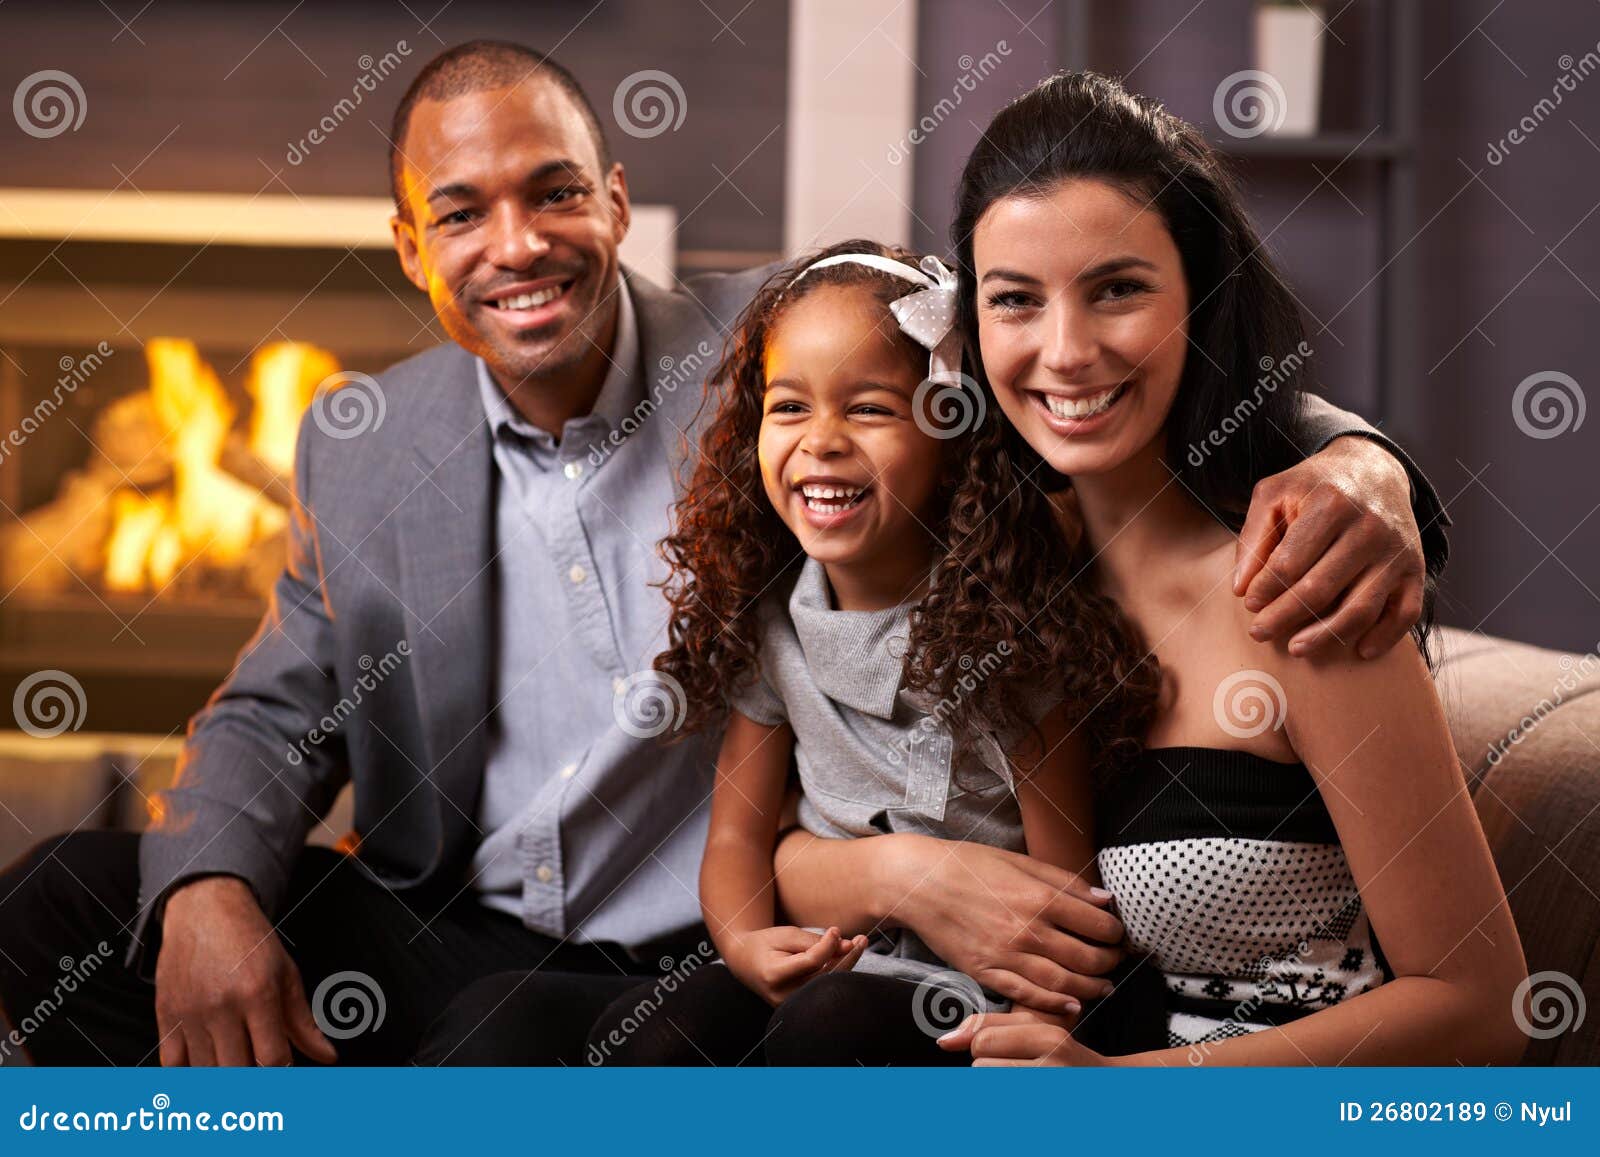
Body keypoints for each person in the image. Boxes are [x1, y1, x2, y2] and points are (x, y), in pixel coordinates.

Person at [0, 42, 1445, 1067]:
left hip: (717, 952)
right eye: (463, 212)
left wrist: (1354, 463)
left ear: (616, 203)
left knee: (536, 1052)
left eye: (554, 191)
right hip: (459, 926)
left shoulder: (779, 346)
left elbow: (1052, 353)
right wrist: (209, 892)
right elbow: (270, 707)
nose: (519, 244)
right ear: (408, 246)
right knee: (72, 896)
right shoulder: (362, 438)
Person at [930, 71, 1526, 1066]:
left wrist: (1123, 1093)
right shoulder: (1006, 576)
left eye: (1117, 289)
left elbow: (1482, 1005)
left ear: (1200, 299)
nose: (1065, 351)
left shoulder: (1303, 585)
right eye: (1015, 301)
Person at [583, 239, 1167, 1065]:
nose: (820, 441)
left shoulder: (1010, 634)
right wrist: (748, 943)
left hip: (976, 986)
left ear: (952, 440)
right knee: (660, 1029)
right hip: (830, 956)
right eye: (789, 408)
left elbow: (1064, 886)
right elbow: (736, 842)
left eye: (868, 409)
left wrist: (1048, 1023)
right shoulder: (775, 628)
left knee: (833, 1027)